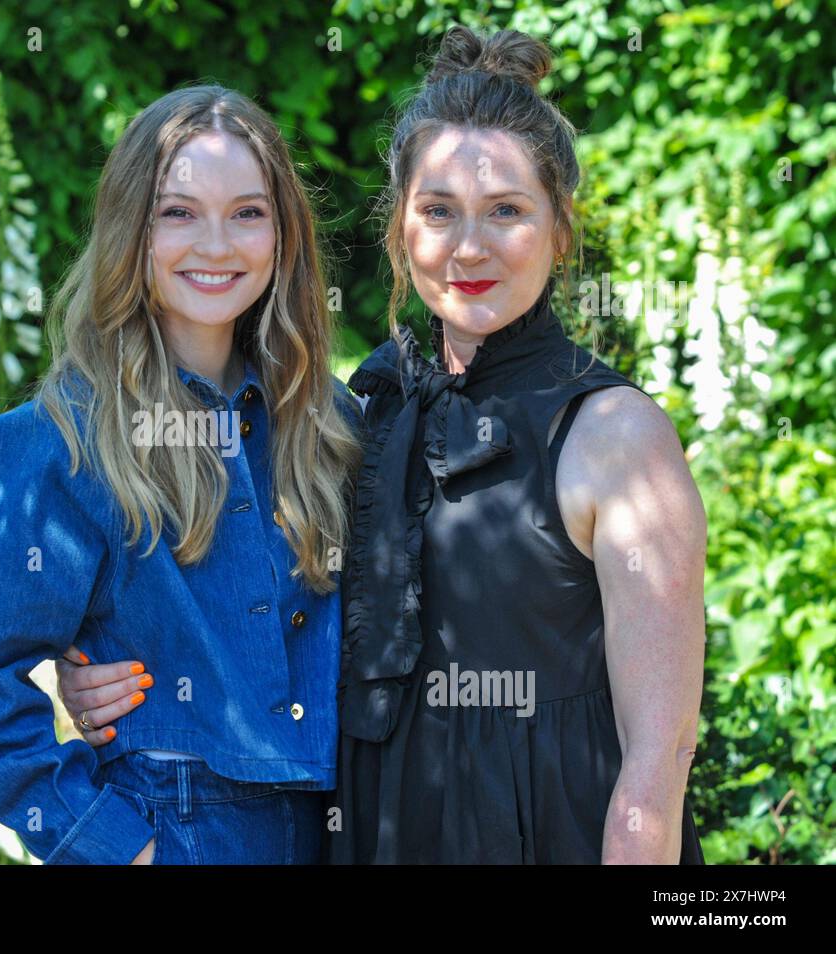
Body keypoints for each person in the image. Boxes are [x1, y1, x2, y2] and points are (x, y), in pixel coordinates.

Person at [59, 26, 707, 864]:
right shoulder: (355, 416)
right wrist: (102, 682)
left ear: (559, 227)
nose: (468, 247)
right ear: (400, 227)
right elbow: (255, 617)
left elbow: (659, 766)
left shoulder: (615, 436)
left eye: (506, 210)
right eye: (439, 211)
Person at [0, 84, 363, 865]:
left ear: (285, 235)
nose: (216, 245)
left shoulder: (335, 425)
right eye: (178, 212)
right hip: (177, 826)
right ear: (129, 228)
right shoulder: (51, 448)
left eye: (248, 213)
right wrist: (119, 848)